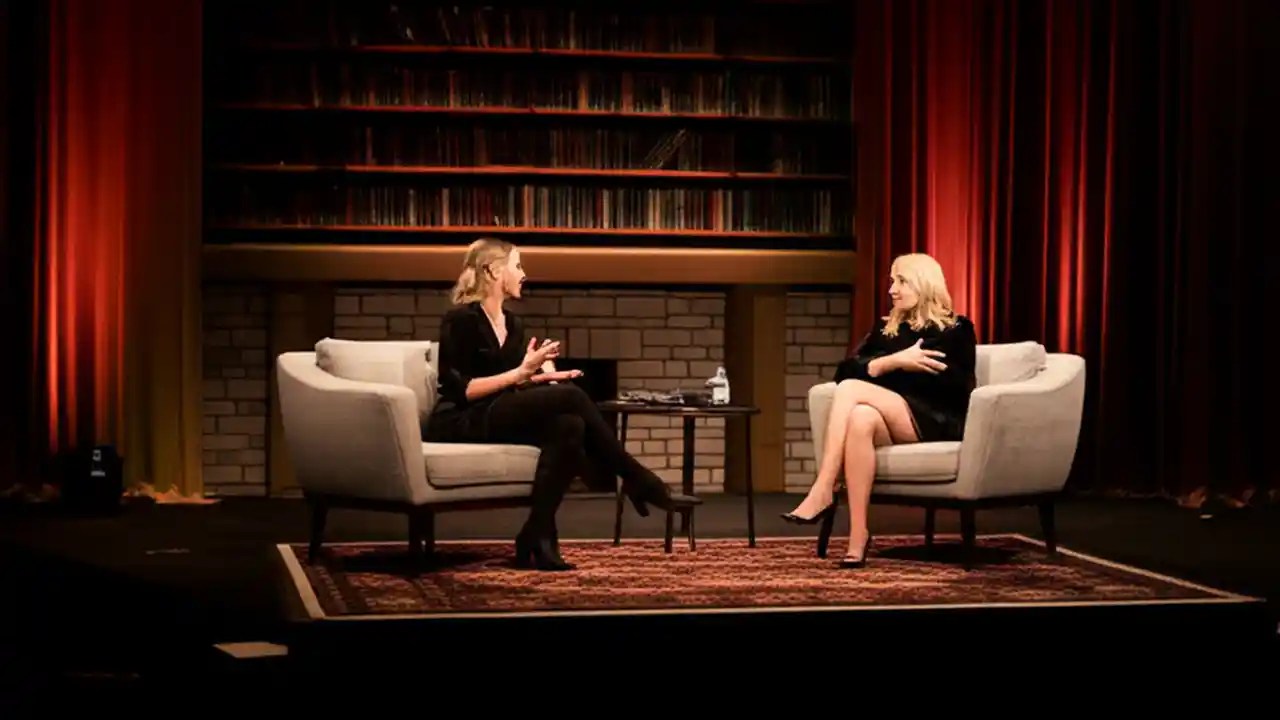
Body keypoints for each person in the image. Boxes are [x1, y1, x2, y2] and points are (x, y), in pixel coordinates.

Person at [424, 238, 700, 571]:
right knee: (570, 397)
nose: (523, 274)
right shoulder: (461, 321)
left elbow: (514, 381)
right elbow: (461, 390)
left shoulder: (514, 325)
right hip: (460, 420)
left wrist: (537, 378)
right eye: (518, 265)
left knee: (570, 425)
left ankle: (537, 534)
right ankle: (637, 478)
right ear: (494, 271)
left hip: (497, 413)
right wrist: (521, 374)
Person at [782, 253, 976, 568]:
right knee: (860, 418)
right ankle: (859, 535)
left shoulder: (956, 329)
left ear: (922, 283)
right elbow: (844, 370)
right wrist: (892, 362)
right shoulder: (886, 328)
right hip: (894, 417)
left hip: (938, 420)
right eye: (891, 281)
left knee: (852, 391)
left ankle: (825, 485)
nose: (892, 290)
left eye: (900, 281)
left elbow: (953, 387)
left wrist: (882, 375)